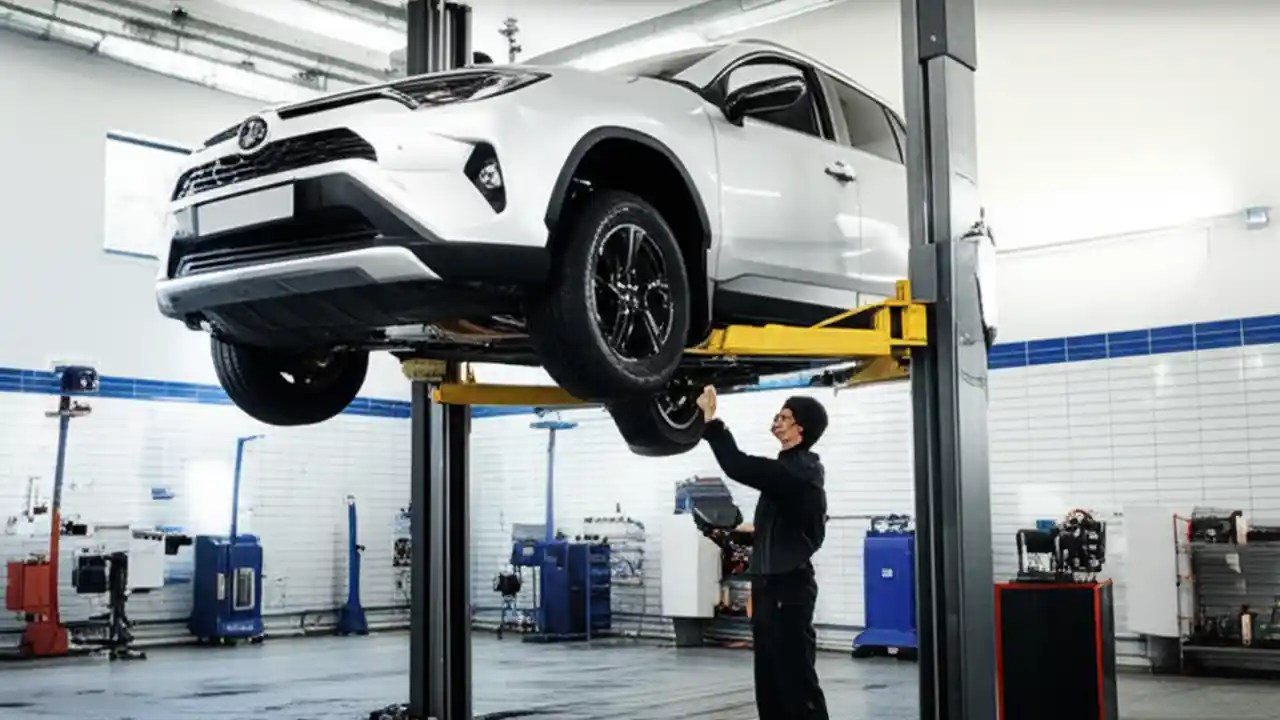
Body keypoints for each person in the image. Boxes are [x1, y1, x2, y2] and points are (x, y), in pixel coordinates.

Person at [695, 385, 830, 720]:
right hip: (771, 587)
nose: (777, 422)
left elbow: (739, 465)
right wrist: (734, 534)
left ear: (802, 429)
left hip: (788, 588)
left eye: (785, 417)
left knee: (794, 679)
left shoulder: (799, 471)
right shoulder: (787, 475)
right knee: (769, 679)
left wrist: (712, 423)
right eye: (778, 416)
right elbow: (778, 530)